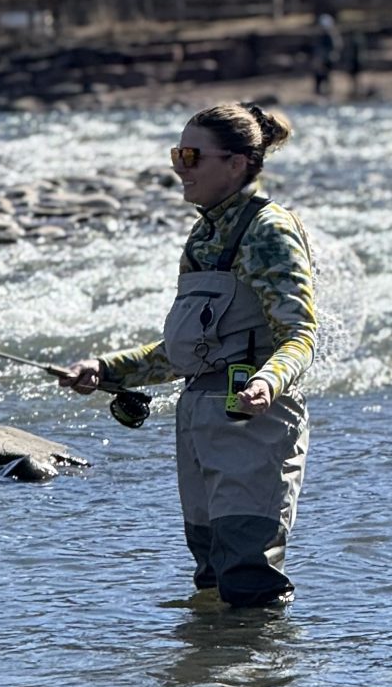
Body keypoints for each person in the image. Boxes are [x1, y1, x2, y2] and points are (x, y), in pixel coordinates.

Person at [55, 102, 316, 608]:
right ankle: (214, 686)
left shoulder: (269, 232)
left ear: (237, 163)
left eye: (192, 154)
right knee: (212, 576)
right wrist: (107, 369)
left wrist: (268, 383)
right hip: (198, 420)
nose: (179, 166)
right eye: (177, 153)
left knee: (249, 578)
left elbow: (300, 335)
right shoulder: (205, 234)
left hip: (252, 421)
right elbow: (191, 350)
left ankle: (265, 683)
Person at [311, 11, 340, 96]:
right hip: (321, 60)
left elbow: (335, 48)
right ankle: (320, 92)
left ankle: (328, 92)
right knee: (319, 77)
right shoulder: (321, 35)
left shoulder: (331, 35)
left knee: (326, 76)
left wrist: (325, 58)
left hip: (327, 60)